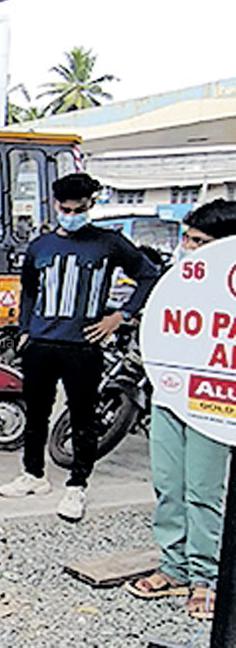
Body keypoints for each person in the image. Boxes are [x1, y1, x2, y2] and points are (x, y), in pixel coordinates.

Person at [0, 172, 160, 522]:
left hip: (83, 345)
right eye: (66, 208)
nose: (72, 214)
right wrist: (25, 330)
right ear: (56, 205)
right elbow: (28, 289)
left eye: (80, 208)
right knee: (36, 413)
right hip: (41, 342)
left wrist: (121, 315)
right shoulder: (40, 246)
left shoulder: (109, 243)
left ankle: (77, 485)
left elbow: (148, 274)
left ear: (91, 205)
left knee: (83, 416)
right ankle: (33, 475)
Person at [125, 199, 236, 619]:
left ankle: (206, 579)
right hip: (171, 393)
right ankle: (174, 567)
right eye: (186, 238)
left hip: (214, 403)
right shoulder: (177, 285)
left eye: (199, 241)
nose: (188, 247)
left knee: (203, 491)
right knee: (169, 484)